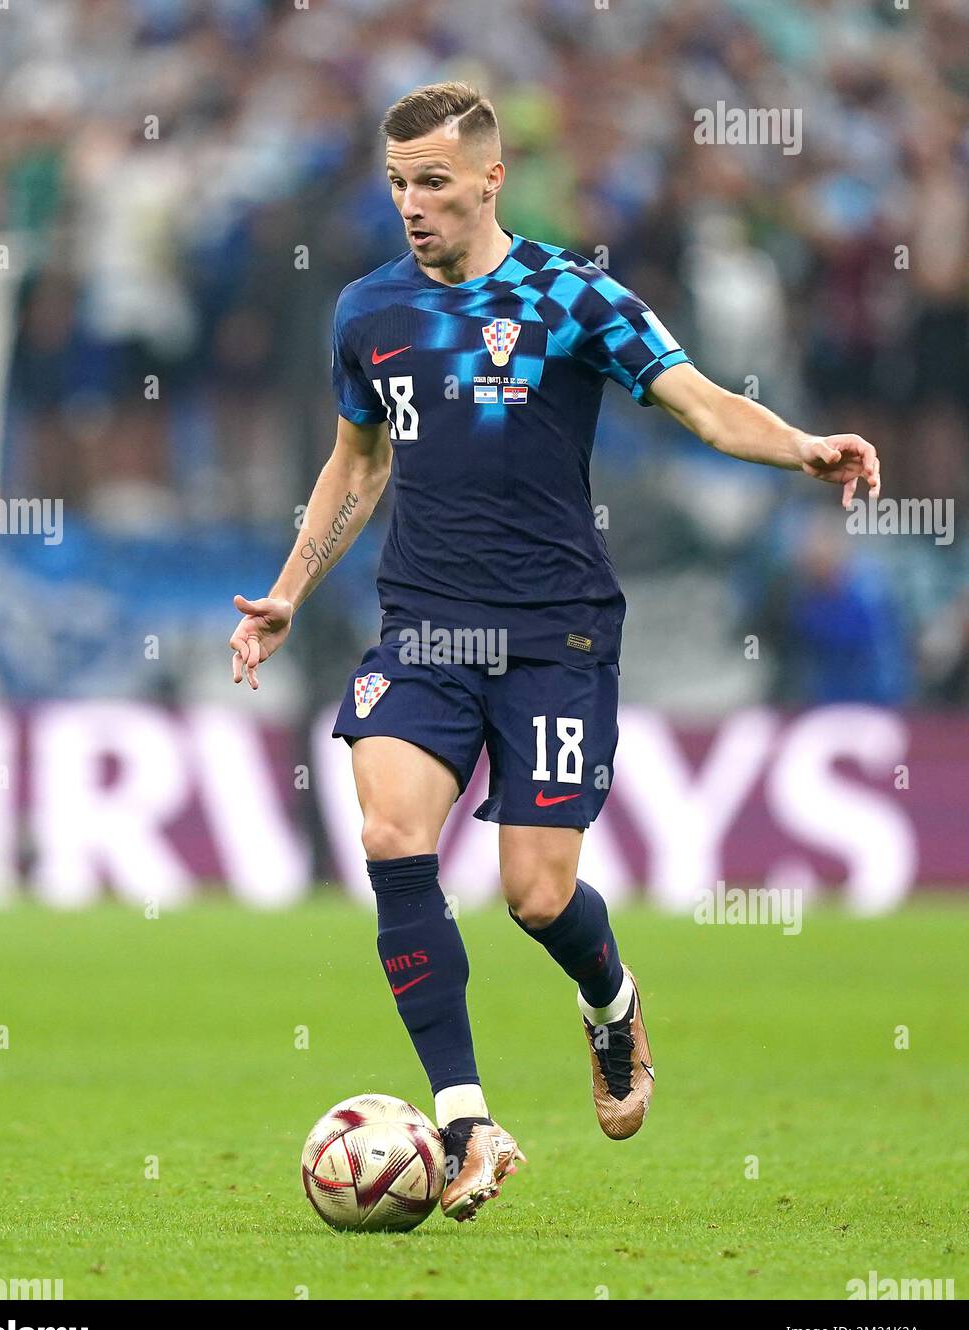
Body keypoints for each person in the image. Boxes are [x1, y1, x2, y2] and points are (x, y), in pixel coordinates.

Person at [228, 82, 881, 1223]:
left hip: (556, 636)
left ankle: (611, 1002)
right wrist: (288, 591)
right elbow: (358, 463)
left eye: (434, 182)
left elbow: (703, 404)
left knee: (538, 894)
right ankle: (467, 1118)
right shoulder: (367, 312)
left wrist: (802, 448)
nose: (412, 205)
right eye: (398, 183)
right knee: (390, 834)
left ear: (492, 180)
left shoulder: (574, 297)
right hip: (425, 629)